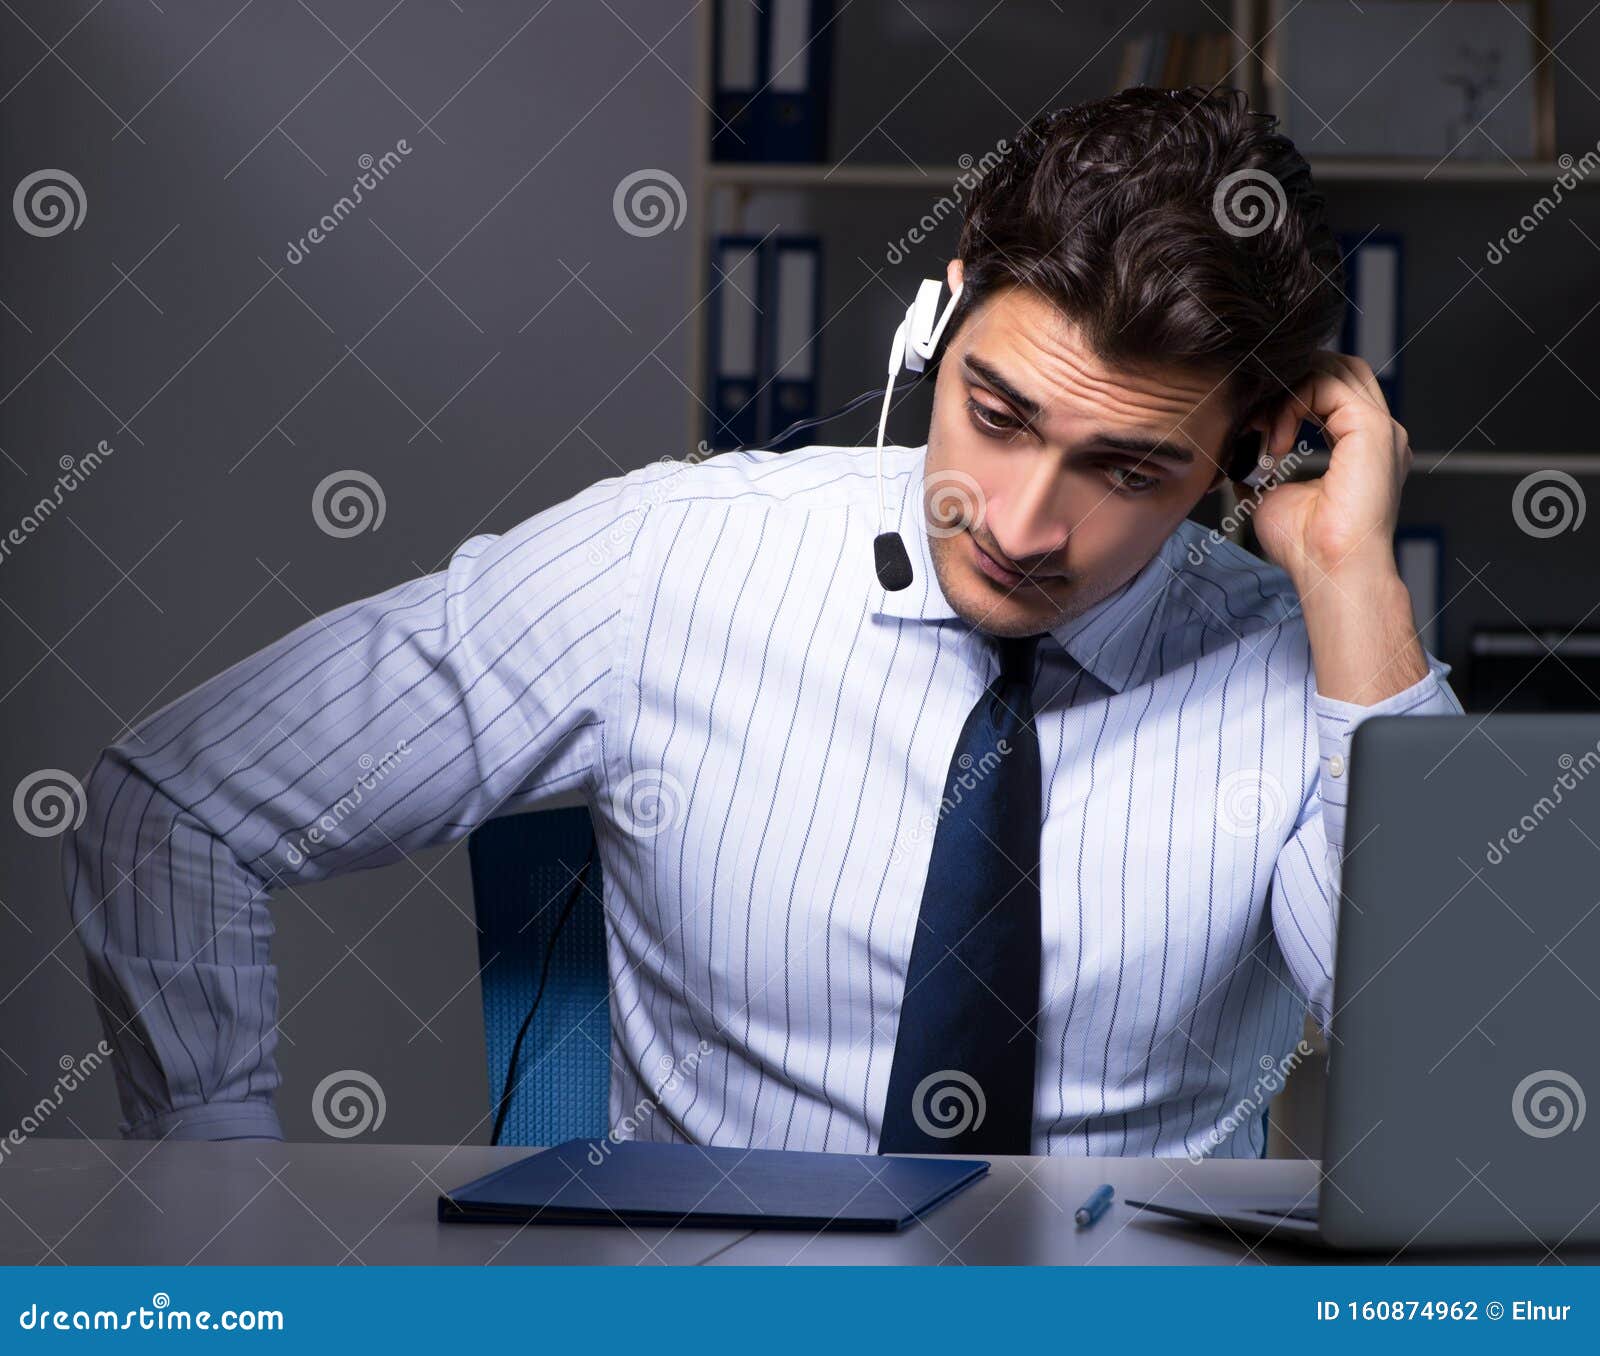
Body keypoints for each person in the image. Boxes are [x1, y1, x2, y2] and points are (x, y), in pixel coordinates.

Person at [64, 86, 1460, 1156]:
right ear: (945, 308)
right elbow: (174, 805)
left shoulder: (1313, 668)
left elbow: (1458, 1108)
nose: (1026, 526)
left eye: (1129, 469)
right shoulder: (663, 569)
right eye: (998, 415)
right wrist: (220, 1204)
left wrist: (1352, 585)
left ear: (1250, 449)